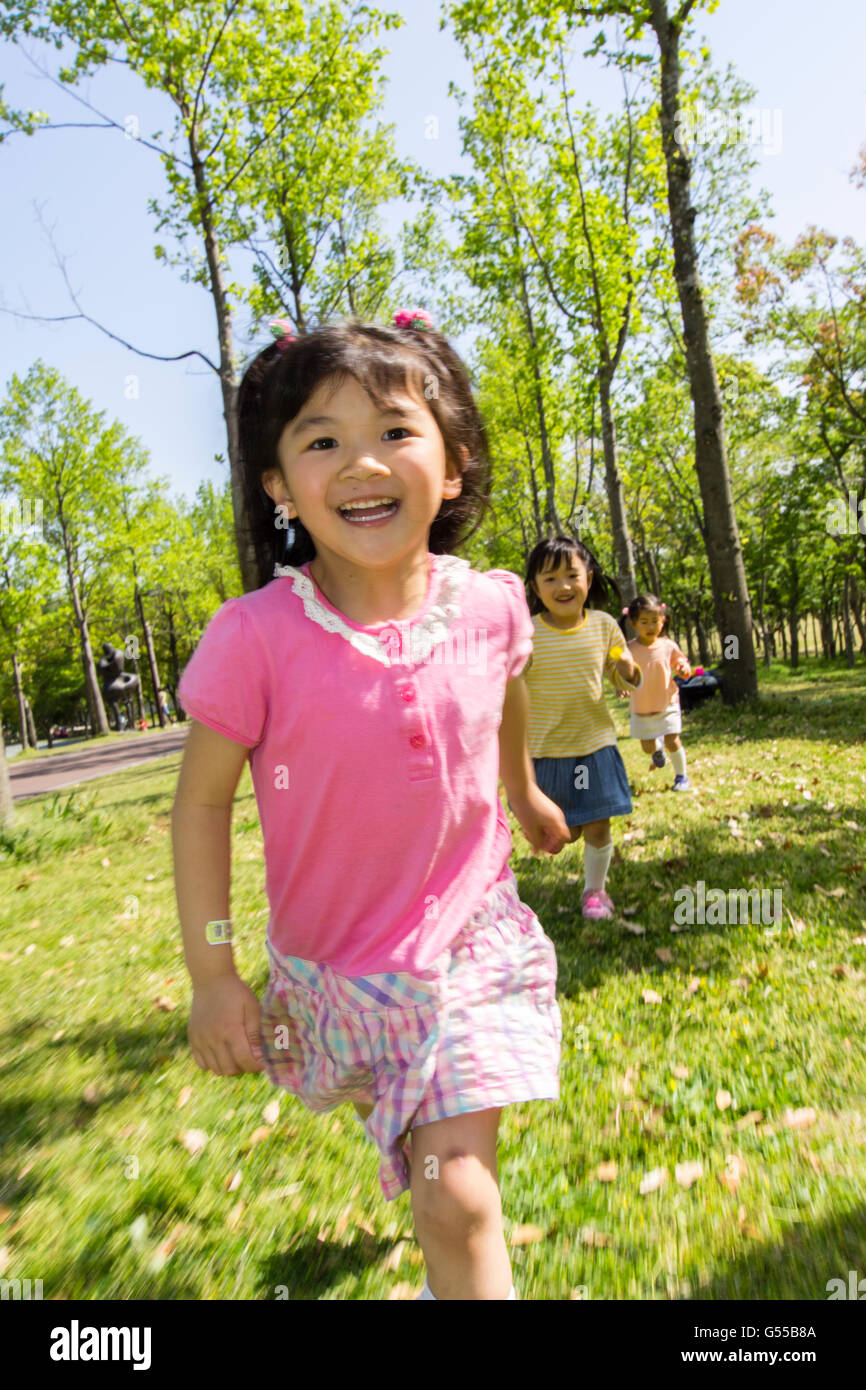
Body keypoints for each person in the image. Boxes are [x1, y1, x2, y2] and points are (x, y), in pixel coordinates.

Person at [171, 309, 571, 1302]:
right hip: (338, 983)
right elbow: (200, 808)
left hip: (472, 944)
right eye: (321, 441)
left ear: (452, 462)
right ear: (278, 486)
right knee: (431, 1179)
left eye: (394, 430)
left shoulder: (488, 606)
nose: (360, 463)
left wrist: (519, 791)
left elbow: (506, 691)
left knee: (457, 1198)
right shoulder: (252, 638)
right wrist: (214, 973)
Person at [522, 535, 642, 922]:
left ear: (588, 579)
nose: (563, 586)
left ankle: (595, 891)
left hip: (594, 743)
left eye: (572, 575)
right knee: (562, 834)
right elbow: (511, 685)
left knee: (597, 822)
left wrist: (628, 669)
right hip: (546, 750)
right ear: (536, 588)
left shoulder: (605, 626)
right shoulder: (527, 633)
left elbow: (628, 676)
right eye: (550, 578)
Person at [623, 594, 692, 791]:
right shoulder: (629, 649)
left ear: (663, 620)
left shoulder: (668, 645)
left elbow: (681, 662)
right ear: (634, 623)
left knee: (673, 739)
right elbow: (623, 672)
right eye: (644, 622)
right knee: (647, 747)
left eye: (655, 621)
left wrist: (682, 668)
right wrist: (622, 686)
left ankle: (681, 778)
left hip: (667, 702)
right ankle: (657, 749)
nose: (650, 626)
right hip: (642, 707)